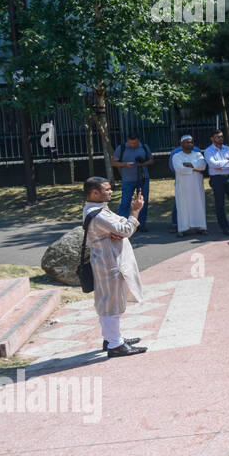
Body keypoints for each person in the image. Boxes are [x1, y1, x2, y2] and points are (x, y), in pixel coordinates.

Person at [82, 177, 148, 357]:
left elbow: (120, 226)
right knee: (111, 302)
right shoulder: (98, 213)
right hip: (109, 263)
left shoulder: (98, 209)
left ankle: (111, 338)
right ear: (95, 193)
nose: (111, 192)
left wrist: (120, 230)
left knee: (111, 300)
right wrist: (134, 211)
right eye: (107, 189)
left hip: (108, 260)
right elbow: (126, 230)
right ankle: (115, 345)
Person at [203, 130, 229, 236]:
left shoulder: (228, 149)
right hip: (217, 179)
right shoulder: (208, 151)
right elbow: (213, 164)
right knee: (220, 204)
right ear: (212, 138)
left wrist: (221, 165)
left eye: (221, 136)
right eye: (217, 137)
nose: (220, 138)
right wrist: (228, 162)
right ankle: (225, 227)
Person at [111, 132, 154, 232]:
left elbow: (151, 160)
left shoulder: (144, 147)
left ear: (138, 140)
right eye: (130, 143)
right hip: (127, 180)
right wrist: (125, 164)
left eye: (134, 143)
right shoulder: (121, 148)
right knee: (125, 202)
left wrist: (143, 163)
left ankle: (141, 224)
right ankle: (122, 225)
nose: (132, 145)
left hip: (143, 178)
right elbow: (113, 162)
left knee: (143, 202)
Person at [170, 135, 208, 235]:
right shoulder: (176, 156)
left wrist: (191, 165)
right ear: (181, 143)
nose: (189, 144)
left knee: (198, 204)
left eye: (191, 142)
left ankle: (201, 227)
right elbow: (179, 169)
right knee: (183, 205)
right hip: (183, 186)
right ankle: (183, 228)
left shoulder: (198, 154)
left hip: (197, 185)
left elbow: (203, 166)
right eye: (187, 142)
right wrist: (195, 168)